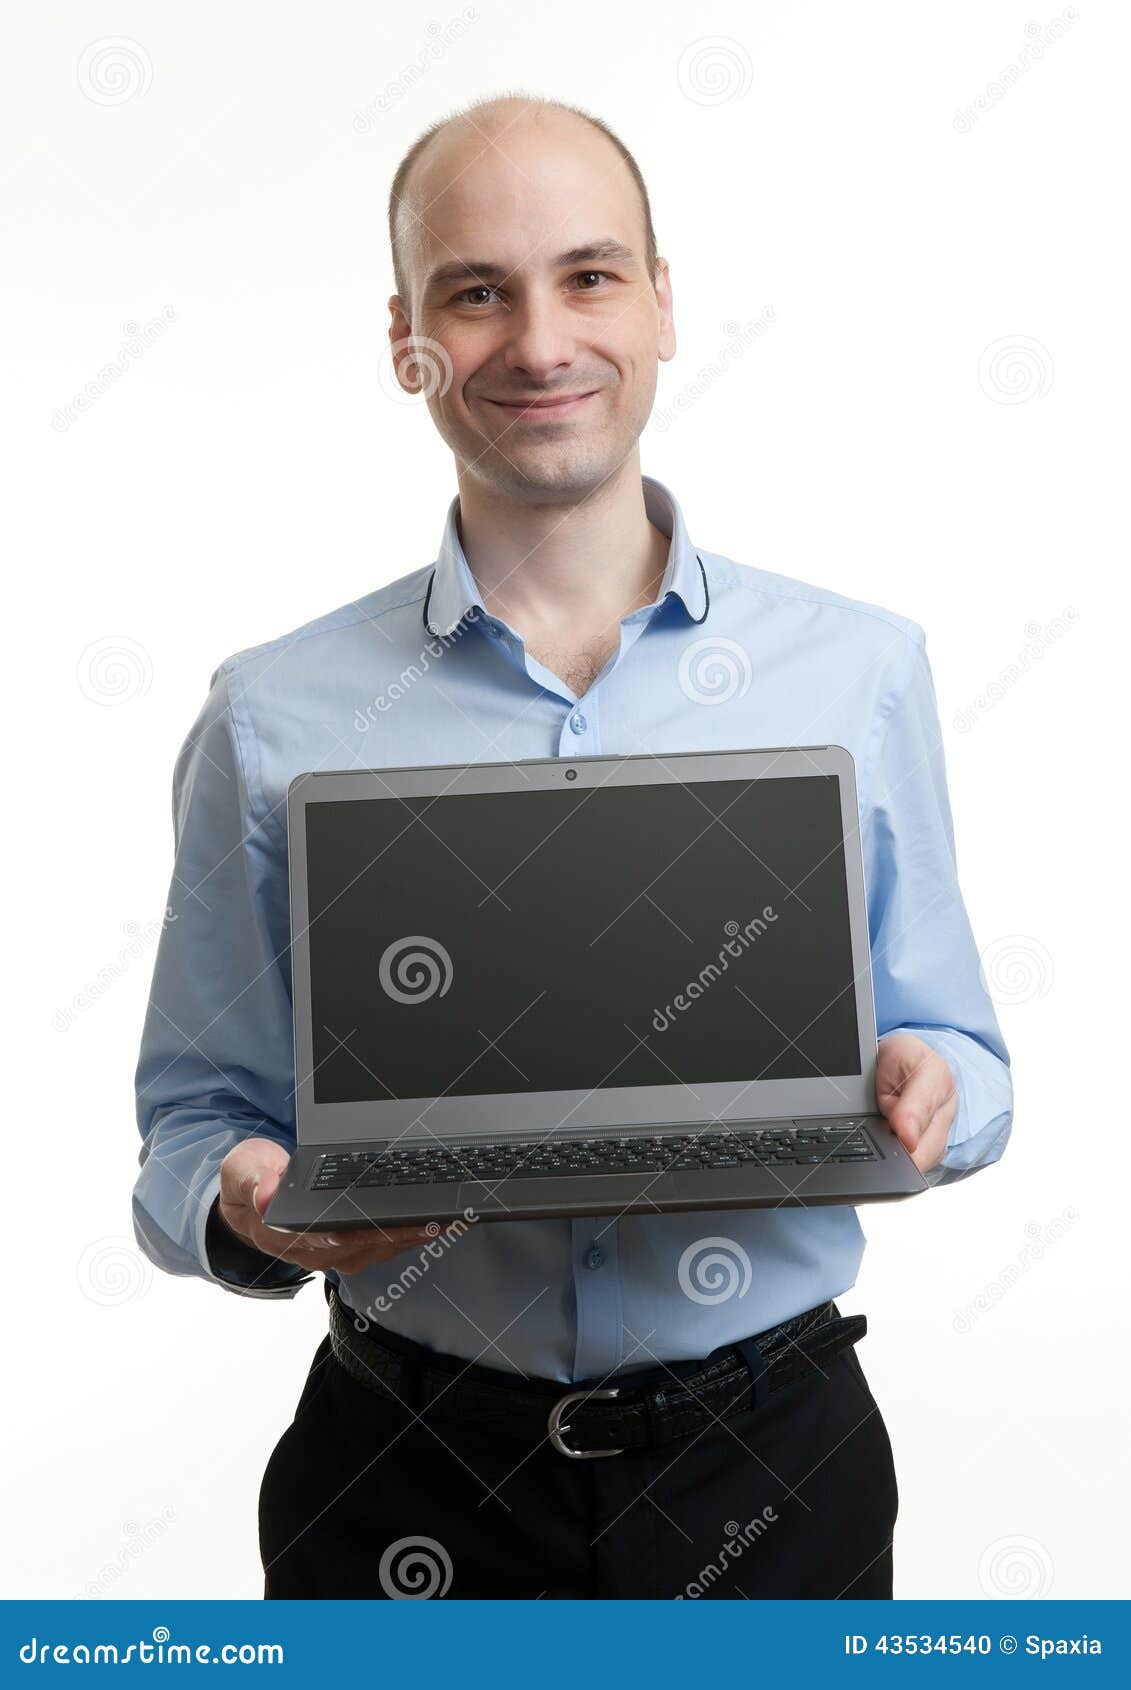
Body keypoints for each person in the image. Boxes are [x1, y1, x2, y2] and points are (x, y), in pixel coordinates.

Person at [132, 92, 1013, 1600]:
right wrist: (244, 1204)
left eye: (590, 275)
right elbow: (189, 1125)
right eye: (477, 292)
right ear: (406, 335)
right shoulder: (273, 716)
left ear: (666, 305)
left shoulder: (859, 671)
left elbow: (963, 1054)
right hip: (403, 1480)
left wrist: (937, 1094)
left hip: (772, 1474)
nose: (540, 343)